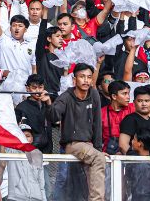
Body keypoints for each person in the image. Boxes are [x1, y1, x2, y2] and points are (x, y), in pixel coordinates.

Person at [48, 63, 105, 201]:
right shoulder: (66, 96)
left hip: (89, 145)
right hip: (72, 144)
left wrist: (98, 148)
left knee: (96, 164)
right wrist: (49, 104)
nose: (86, 80)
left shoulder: (94, 94)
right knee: (98, 159)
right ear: (74, 80)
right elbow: (53, 117)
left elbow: (97, 123)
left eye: (89, 77)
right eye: (82, 77)